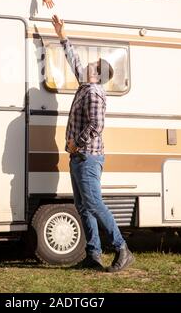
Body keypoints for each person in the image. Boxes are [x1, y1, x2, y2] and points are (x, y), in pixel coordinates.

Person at [51, 14, 134, 273]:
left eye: (93, 65)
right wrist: (62, 35)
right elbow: (74, 61)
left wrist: (76, 144)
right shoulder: (86, 86)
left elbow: (96, 126)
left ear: (97, 75)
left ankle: (122, 248)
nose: (87, 65)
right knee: (83, 206)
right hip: (79, 157)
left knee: (94, 203)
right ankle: (93, 255)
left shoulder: (95, 93)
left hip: (87, 157)